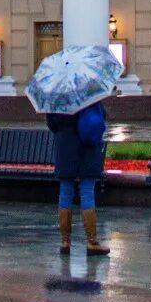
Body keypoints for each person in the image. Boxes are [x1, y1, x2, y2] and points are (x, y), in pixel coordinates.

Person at [47, 98, 110, 255]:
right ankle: (91, 242)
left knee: (65, 190)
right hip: (86, 148)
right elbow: (101, 117)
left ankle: (65, 241)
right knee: (87, 190)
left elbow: (52, 124)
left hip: (65, 146)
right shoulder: (89, 92)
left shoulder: (56, 96)